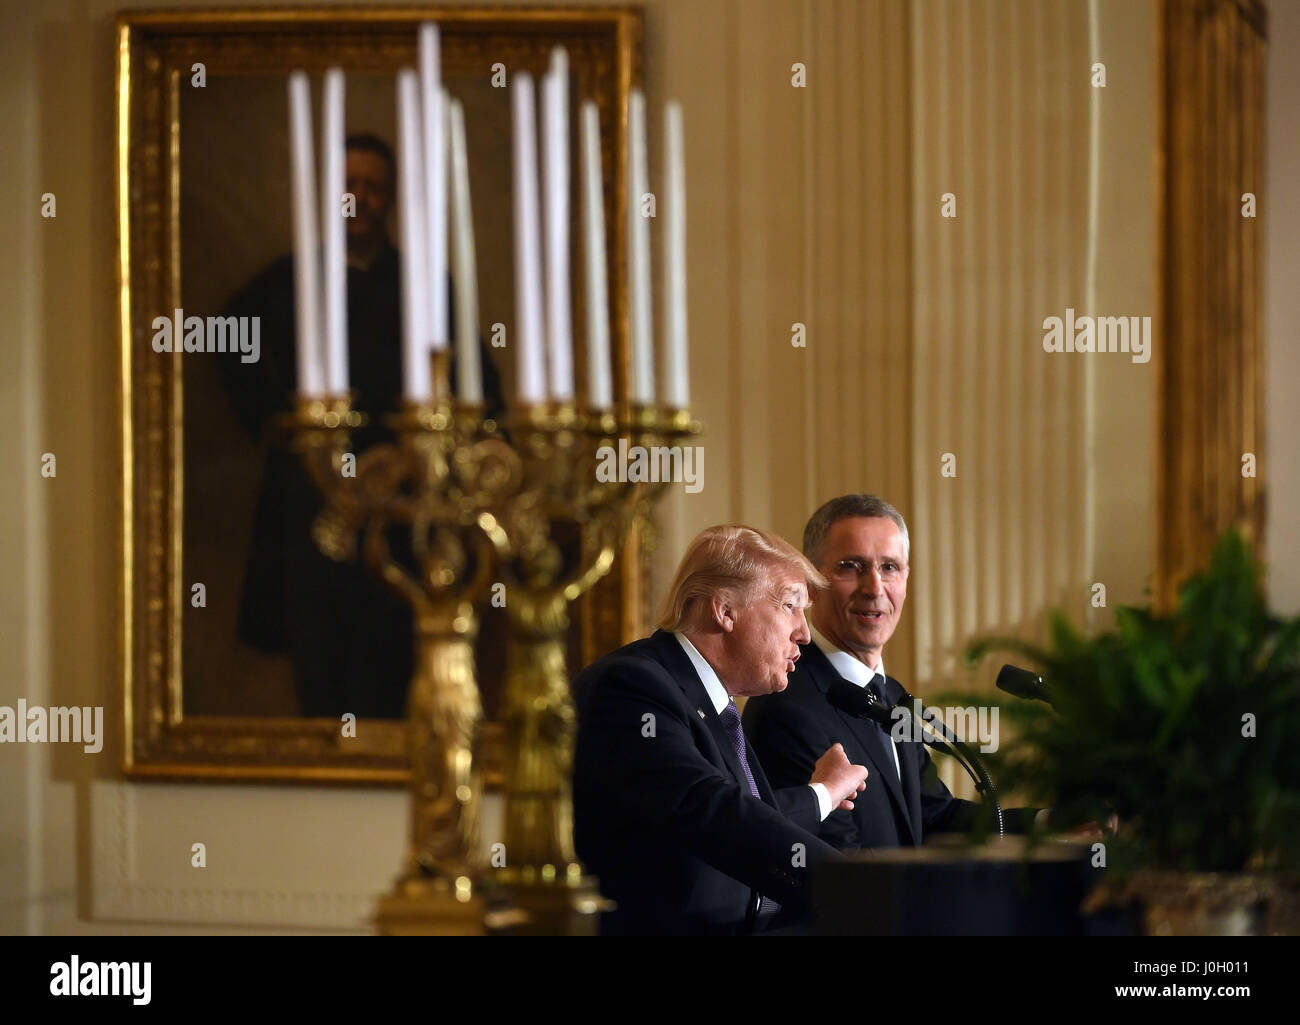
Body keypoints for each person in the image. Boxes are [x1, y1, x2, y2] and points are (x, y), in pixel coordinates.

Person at [218, 133, 504, 719]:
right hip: (313, 506)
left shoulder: (425, 284)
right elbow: (229, 343)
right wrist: (275, 417)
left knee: (393, 658)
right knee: (319, 659)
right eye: (349, 185)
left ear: (391, 197)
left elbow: (478, 383)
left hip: (403, 506)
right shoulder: (288, 281)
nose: (361, 198)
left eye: (373, 186)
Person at [571, 524, 870, 935]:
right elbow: (710, 809)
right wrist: (864, 890)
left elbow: (745, 812)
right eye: (790, 606)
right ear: (724, 611)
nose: (804, 632)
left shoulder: (715, 706)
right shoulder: (631, 685)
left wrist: (824, 793)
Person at [744, 494, 1037, 851]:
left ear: (906, 578)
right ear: (812, 581)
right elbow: (834, 864)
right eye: (851, 566)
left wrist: (1048, 823)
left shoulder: (891, 694)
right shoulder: (786, 705)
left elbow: (935, 817)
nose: (874, 588)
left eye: (889, 567)